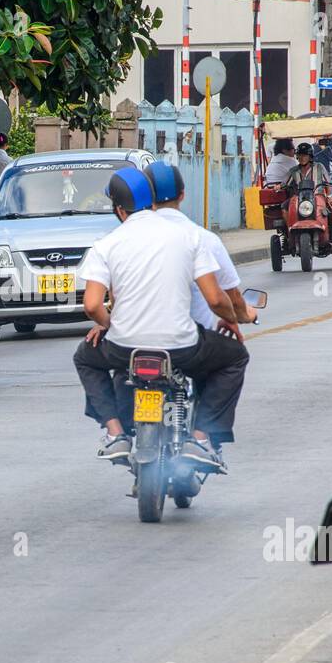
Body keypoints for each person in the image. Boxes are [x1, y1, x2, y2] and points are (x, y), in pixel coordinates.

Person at [72, 168, 247, 469]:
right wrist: (231, 319)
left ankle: (116, 434)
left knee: (85, 358)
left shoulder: (107, 244)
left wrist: (107, 325)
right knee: (235, 358)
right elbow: (216, 299)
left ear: (118, 209)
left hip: (124, 348)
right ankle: (201, 438)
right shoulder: (190, 236)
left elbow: (91, 305)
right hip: (181, 346)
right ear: (153, 201)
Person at [146, 162, 259, 336]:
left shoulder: (127, 240)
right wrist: (240, 316)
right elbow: (224, 299)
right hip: (189, 344)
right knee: (238, 355)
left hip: (132, 343)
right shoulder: (202, 239)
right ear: (182, 195)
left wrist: (105, 324)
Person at [286, 142, 332, 211]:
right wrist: (279, 186)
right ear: (297, 156)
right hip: (300, 198)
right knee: (284, 207)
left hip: (317, 196)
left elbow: (327, 183)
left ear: (310, 157)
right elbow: (285, 184)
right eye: (300, 155)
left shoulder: (319, 166)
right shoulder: (293, 170)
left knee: (324, 212)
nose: (302, 158)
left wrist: (328, 196)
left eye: (305, 155)